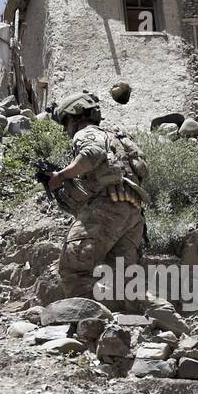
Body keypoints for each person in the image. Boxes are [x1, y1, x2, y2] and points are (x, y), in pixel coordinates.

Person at [47, 90, 151, 307]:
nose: (66, 130)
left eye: (65, 123)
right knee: (118, 279)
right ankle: (126, 326)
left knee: (74, 268)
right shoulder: (116, 138)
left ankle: (86, 323)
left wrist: (61, 176)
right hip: (132, 215)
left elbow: (92, 155)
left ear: (75, 116)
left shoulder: (87, 133)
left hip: (107, 210)